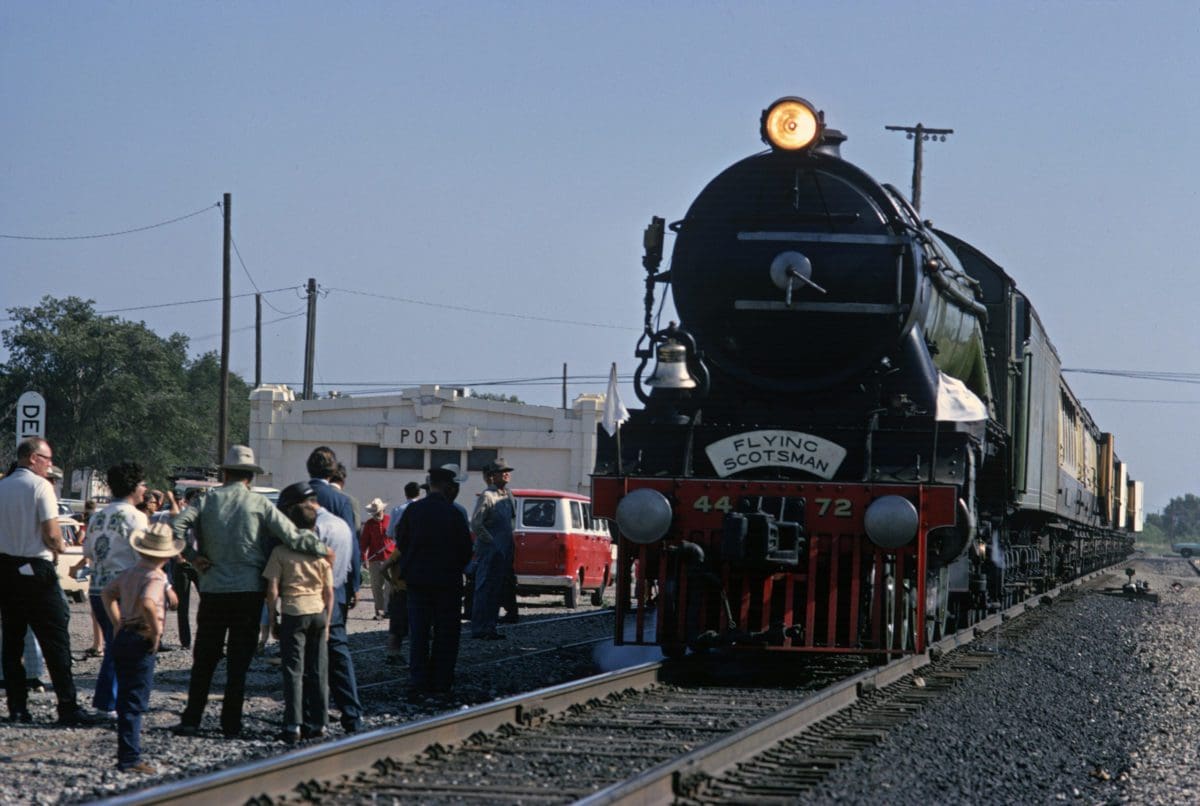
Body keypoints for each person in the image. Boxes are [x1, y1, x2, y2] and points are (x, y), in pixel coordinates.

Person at [170, 445, 332, 739]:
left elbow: (176, 525)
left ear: (225, 474)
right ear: (250, 477)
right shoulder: (260, 504)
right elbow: (291, 535)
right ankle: (231, 723)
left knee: (204, 658)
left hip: (214, 589)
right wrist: (320, 549)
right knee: (239, 661)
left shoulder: (206, 501)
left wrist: (193, 557)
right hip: (249, 591)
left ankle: (192, 718)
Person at [0, 437, 103, 725]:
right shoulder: (40, 486)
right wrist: (60, 547)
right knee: (56, 638)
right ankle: (67, 705)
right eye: (46, 459)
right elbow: (52, 532)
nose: (49, 465)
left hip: (6, 568)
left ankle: (17, 707)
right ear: (33, 458)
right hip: (36, 567)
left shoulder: (3, 486)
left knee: (12, 641)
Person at [101, 522, 183, 773]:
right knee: (135, 700)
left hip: (124, 634)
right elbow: (148, 602)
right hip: (141, 636)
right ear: (166, 556)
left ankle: (126, 753)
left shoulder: (129, 572)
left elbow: (107, 593)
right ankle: (130, 758)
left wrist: (117, 622)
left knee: (125, 695)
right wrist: (156, 632)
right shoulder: (156, 577)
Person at [394, 465, 473, 702]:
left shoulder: (413, 510)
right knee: (446, 633)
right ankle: (441, 682)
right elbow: (466, 550)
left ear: (430, 485)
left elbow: (401, 542)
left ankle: (418, 681)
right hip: (447, 583)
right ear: (449, 487)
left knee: (418, 633)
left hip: (417, 582)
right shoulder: (454, 513)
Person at [264, 483, 334, 744]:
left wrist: (272, 617)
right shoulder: (321, 552)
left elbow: (272, 589)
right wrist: (328, 621)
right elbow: (329, 591)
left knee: (293, 670)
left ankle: (293, 724)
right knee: (318, 669)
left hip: (294, 611)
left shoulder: (280, 552)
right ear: (314, 524)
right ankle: (320, 723)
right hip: (318, 612)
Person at [81, 461, 150, 715]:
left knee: (113, 644)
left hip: (97, 587)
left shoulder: (98, 516)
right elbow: (144, 554)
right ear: (133, 486)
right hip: (123, 590)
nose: (145, 489)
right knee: (120, 647)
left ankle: (107, 700)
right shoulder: (136, 517)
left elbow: (88, 551)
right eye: (142, 484)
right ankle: (108, 702)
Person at [309, 483, 364, 734]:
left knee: (308, 659)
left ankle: (312, 717)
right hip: (338, 593)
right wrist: (355, 585)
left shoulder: (307, 524)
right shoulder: (343, 511)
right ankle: (352, 714)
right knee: (339, 655)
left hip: (308, 598)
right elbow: (354, 550)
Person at [470, 459, 517, 640]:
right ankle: (479, 628)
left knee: (496, 589)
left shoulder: (508, 496)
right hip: (489, 551)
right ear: (493, 476)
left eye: (507, 471)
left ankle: (490, 627)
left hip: (504, 551)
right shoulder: (487, 496)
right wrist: (491, 542)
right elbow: (476, 523)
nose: (506, 474)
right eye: (502, 471)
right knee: (484, 588)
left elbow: (511, 521)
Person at [360, 498, 393, 620]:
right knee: (376, 586)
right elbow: (364, 543)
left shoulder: (390, 520)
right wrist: (364, 557)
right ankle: (379, 610)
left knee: (390, 585)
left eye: (378, 512)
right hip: (375, 559)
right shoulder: (369, 524)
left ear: (383, 510)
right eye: (374, 513)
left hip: (390, 558)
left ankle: (388, 610)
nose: (376, 515)